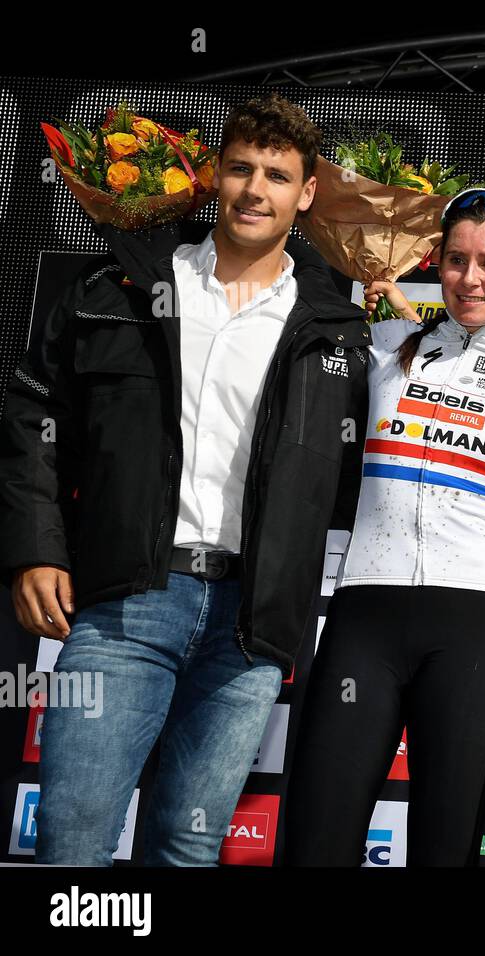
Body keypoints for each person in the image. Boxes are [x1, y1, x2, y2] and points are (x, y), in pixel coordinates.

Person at [0, 94, 371, 865]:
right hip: (122, 609)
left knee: (187, 852)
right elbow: (33, 420)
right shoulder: (121, 287)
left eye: (277, 174)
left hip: (251, 627)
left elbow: (376, 463)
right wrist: (36, 549)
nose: (254, 190)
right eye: (240, 168)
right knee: (72, 847)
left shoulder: (336, 328)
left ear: (305, 194)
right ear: (212, 176)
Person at [284, 188, 485, 866]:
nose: (471, 279)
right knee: (316, 837)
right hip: (364, 615)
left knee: (447, 845)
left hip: (471, 625)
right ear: (435, 263)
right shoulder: (385, 346)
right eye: (455, 260)